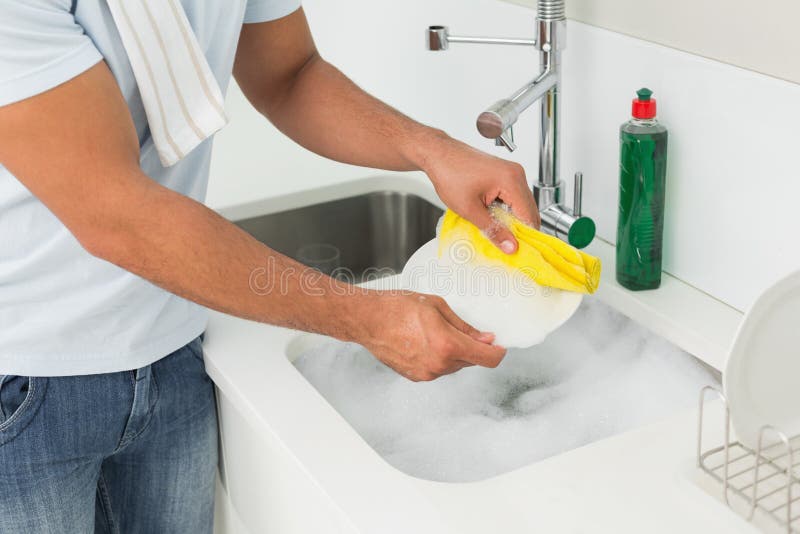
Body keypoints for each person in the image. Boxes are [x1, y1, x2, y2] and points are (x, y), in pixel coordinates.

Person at [0, 1, 540, 532]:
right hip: (28, 373)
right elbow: (117, 214)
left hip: (173, 342)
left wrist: (433, 150)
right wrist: (365, 318)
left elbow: (290, 74)